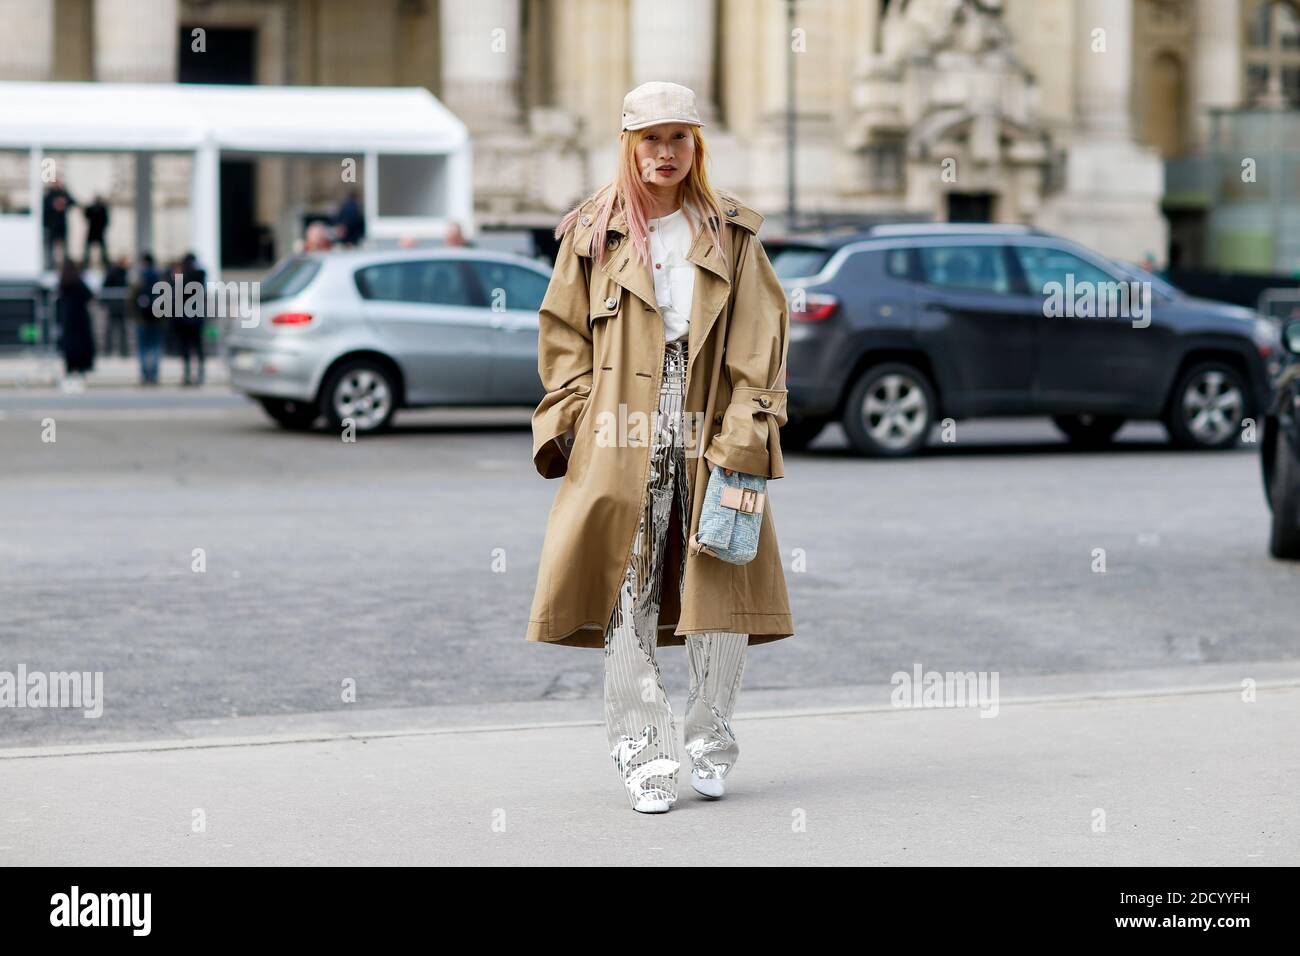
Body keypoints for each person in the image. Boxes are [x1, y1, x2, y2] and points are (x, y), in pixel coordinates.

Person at [525, 81, 794, 814]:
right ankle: (642, 749)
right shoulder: (591, 233)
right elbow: (563, 339)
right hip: (618, 430)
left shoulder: (732, 235)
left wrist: (745, 437)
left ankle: (711, 739)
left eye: (679, 138)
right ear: (629, 145)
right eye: (650, 139)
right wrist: (576, 421)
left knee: (721, 585)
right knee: (626, 588)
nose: (665, 153)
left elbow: (761, 348)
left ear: (696, 145)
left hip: (712, 424)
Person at [56, 258, 95, 390]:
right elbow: (89, 295)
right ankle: (81, 369)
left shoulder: (63, 282)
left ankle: (70, 369)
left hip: (68, 318)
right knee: (81, 344)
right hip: (80, 318)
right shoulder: (78, 281)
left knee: (70, 344)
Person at [129, 252, 165, 385]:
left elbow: (131, 300)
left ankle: (145, 376)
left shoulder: (140, 280)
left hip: (142, 319)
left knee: (143, 348)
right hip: (157, 319)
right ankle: (154, 375)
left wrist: (134, 315)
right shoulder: (159, 280)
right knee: (155, 347)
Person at [174, 251, 207, 386]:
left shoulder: (183, 277)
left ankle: (188, 374)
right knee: (197, 346)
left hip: (184, 318)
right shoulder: (199, 274)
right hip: (196, 317)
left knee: (186, 347)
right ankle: (199, 374)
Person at [43, 180, 77, 271]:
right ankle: (49, 266)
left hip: (62, 225)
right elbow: (44, 206)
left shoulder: (64, 193)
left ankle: (66, 266)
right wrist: (54, 205)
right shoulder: (49, 194)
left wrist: (64, 202)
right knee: (50, 247)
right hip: (52, 225)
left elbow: (73, 202)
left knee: (65, 246)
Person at [102, 254, 130, 357]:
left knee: (118, 329)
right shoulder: (116, 273)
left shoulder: (122, 273)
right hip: (115, 304)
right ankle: (112, 350)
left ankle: (120, 350)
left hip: (118, 305)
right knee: (113, 328)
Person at [83, 195, 110, 269]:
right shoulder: (99, 209)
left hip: (97, 232)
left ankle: (105, 265)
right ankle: (86, 265)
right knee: (89, 251)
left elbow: (106, 221)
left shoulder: (102, 209)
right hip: (94, 231)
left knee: (102, 251)